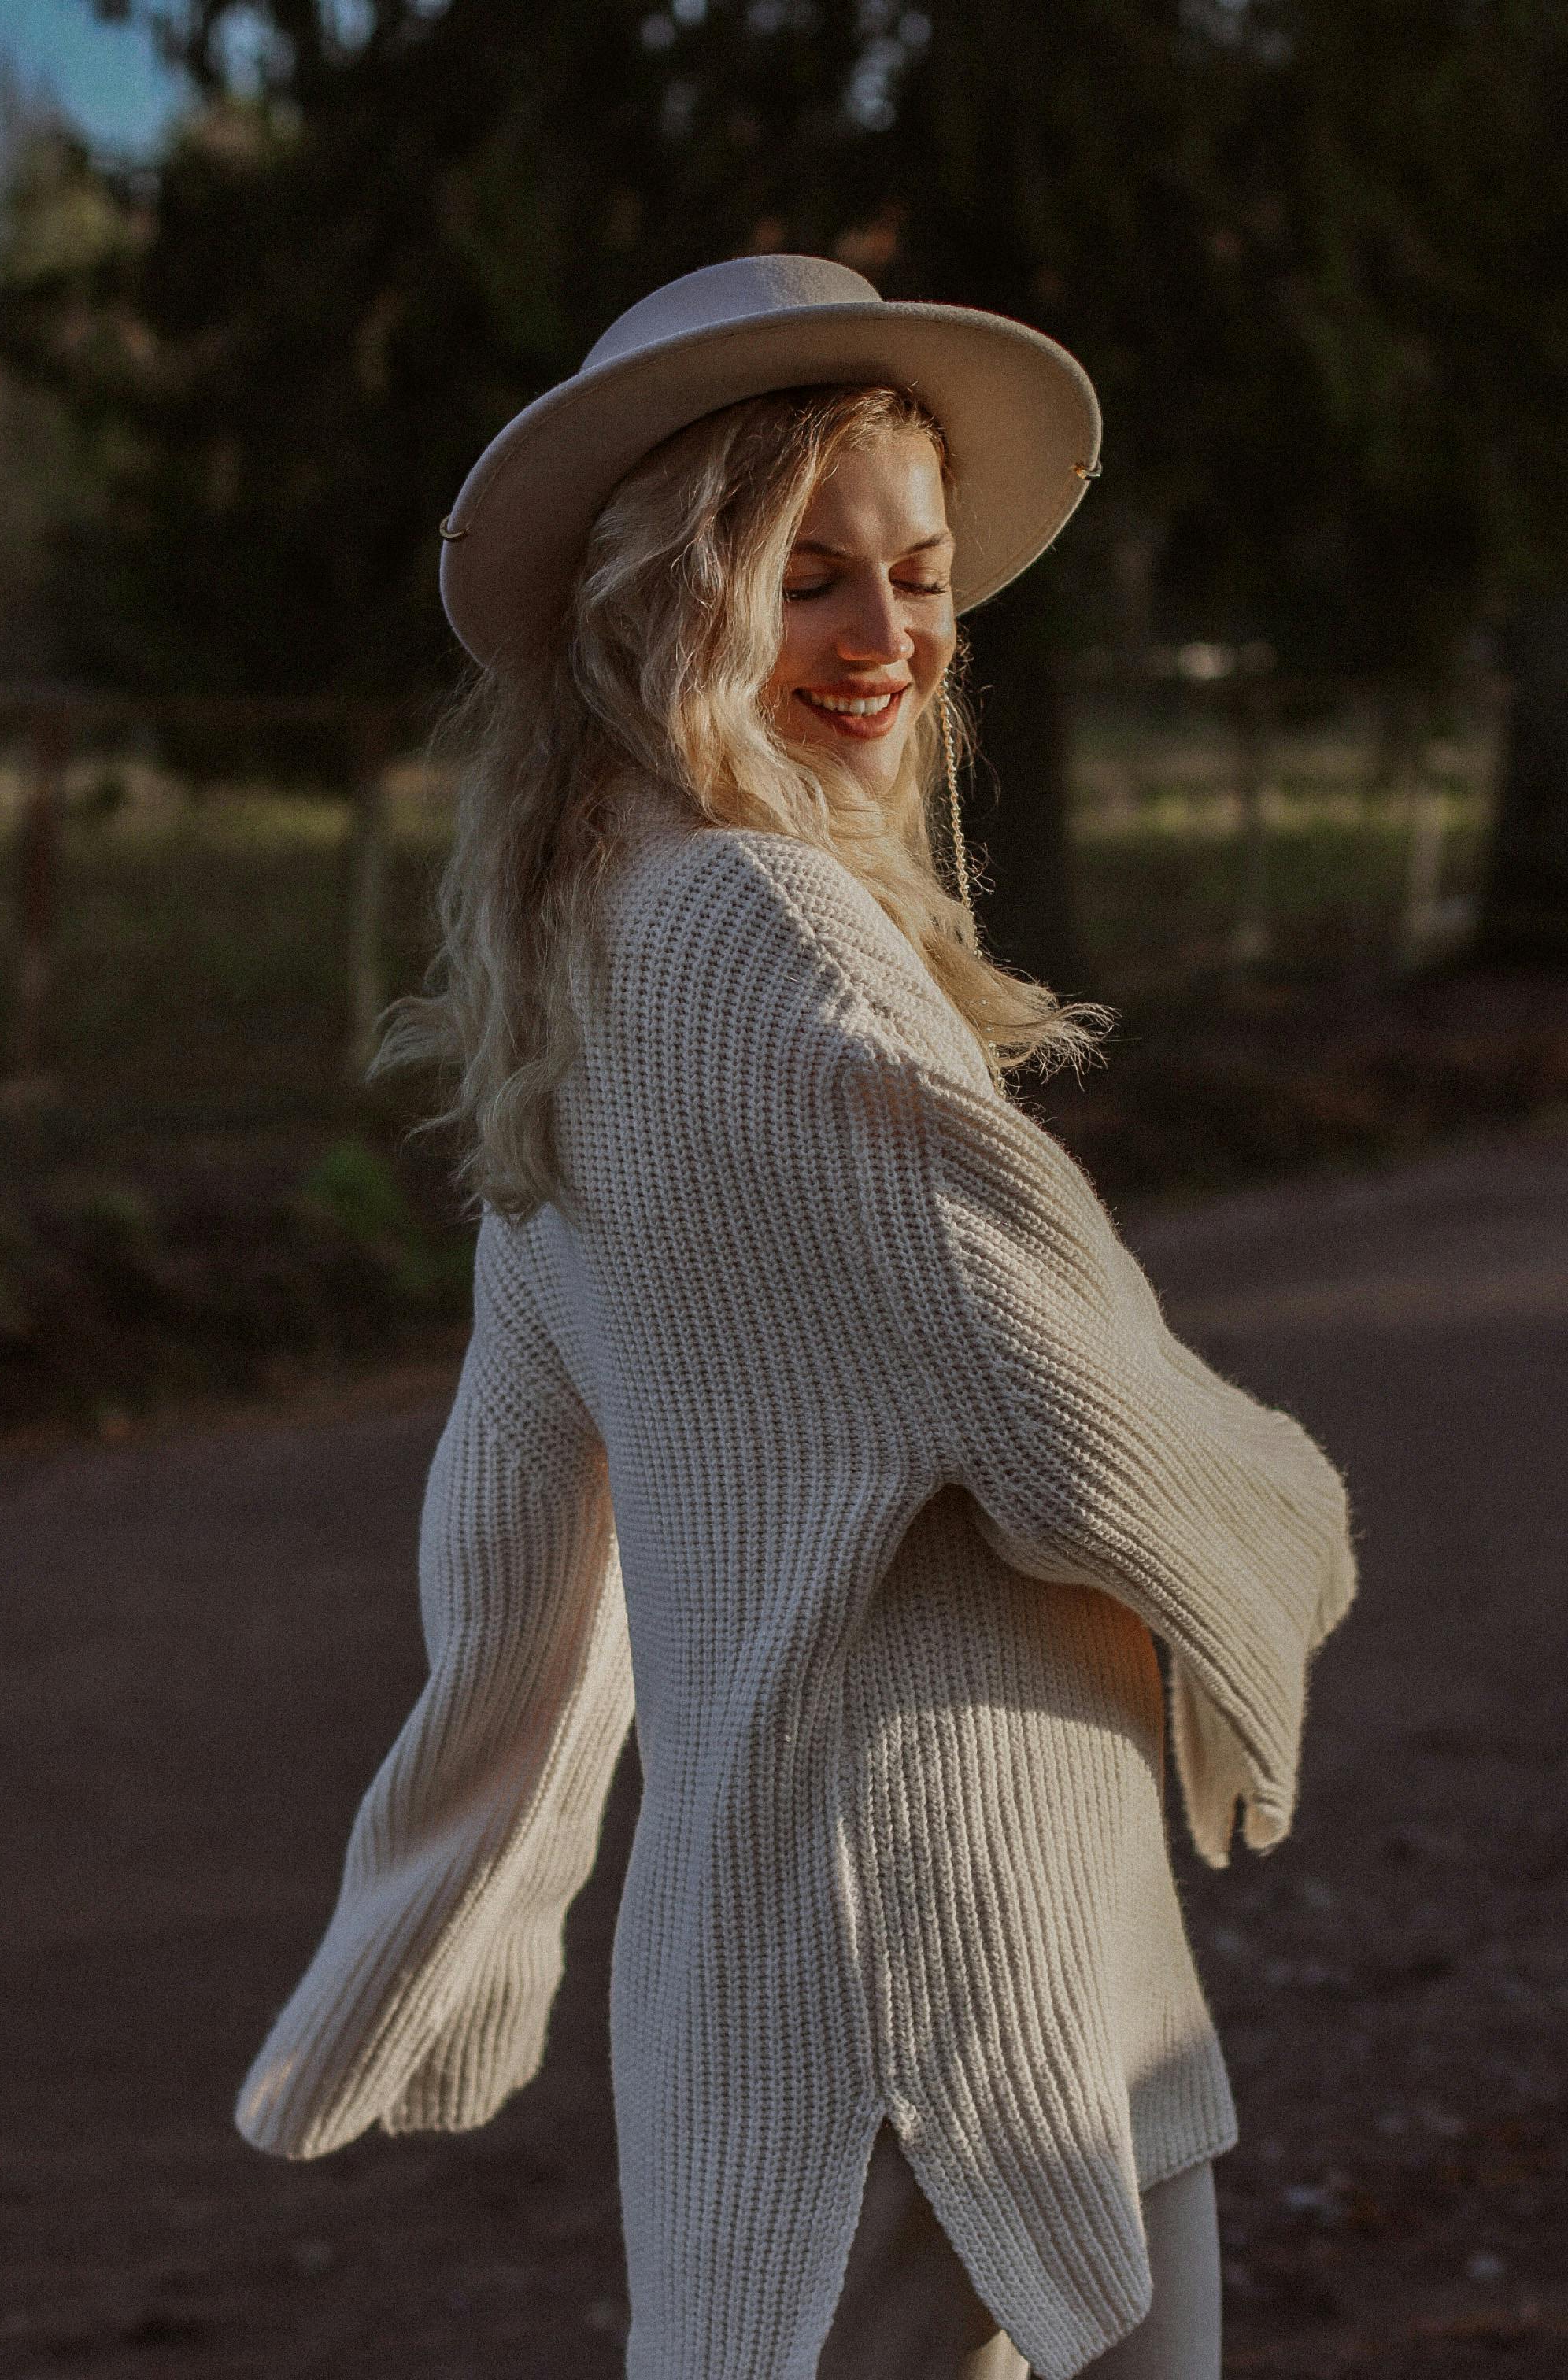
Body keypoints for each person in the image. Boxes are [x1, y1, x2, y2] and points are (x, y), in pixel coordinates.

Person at [234, 256, 1356, 2380]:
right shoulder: (766, 935)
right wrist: (1292, 1532)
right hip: (951, 1924)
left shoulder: (582, 953)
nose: (891, 640)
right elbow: (1067, 1401)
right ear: (671, 590)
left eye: (919, 579)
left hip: (785, 1929)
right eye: (814, 576)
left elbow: (508, 1530)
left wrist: (460, 1894)